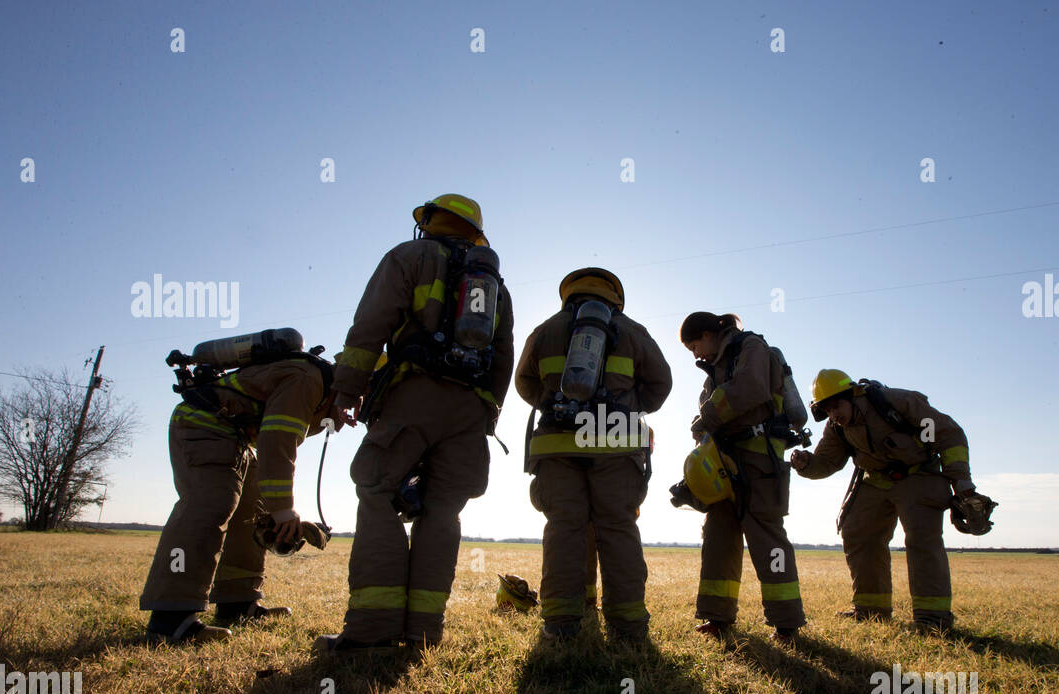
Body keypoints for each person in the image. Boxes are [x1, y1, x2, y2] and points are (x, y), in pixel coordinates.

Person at [320, 193, 514, 651]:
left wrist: (347, 387)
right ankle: (424, 632)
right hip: (470, 411)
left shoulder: (409, 256)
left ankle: (372, 632)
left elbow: (370, 324)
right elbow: (502, 356)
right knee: (442, 512)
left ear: (428, 222)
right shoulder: (494, 286)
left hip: (412, 395)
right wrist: (485, 414)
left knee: (377, 494)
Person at [140, 332, 337, 642]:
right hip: (205, 424)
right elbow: (277, 442)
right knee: (211, 504)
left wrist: (278, 513)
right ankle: (170, 618)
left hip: (233, 436)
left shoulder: (319, 389)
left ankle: (238, 602)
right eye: (361, 401)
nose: (355, 415)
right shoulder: (307, 380)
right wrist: (284, 510)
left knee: (251, 511)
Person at [515, 267, 671, 642]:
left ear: (567, 293)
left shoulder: (546, 329)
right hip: (616, 448)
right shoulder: (634, 331)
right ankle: (628, 626)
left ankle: (561, 624)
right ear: (615, 297)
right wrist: (629, 409)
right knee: (618, 530)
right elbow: (661, 384)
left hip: (557, 447)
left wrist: (556, 405)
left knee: (564, 530)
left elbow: (524, 382)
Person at [790, 368, 982, 632]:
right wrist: (806, 463)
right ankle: (870, 610)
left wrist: (961, 482)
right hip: (876, 479)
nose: (834, 413)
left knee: (921, 540)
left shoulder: (897, 402)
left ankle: (933, 619)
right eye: (827, 409)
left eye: (837, 405)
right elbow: (827, 462)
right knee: (858, 533)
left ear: (853, 395)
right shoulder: (838, 428)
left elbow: (949, 434)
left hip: (919, 476)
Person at [679, 312, 806, 643]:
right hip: (726, 462)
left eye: (695, 345)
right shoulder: (717, 366)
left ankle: (786, 624)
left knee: (767, 539)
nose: (696, 354)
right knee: (718, 537)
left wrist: (705, 418)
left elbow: (750, 388)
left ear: (710, 333)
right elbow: (714, 408)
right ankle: (717, 617)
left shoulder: (751, 347)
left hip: (759, 460)